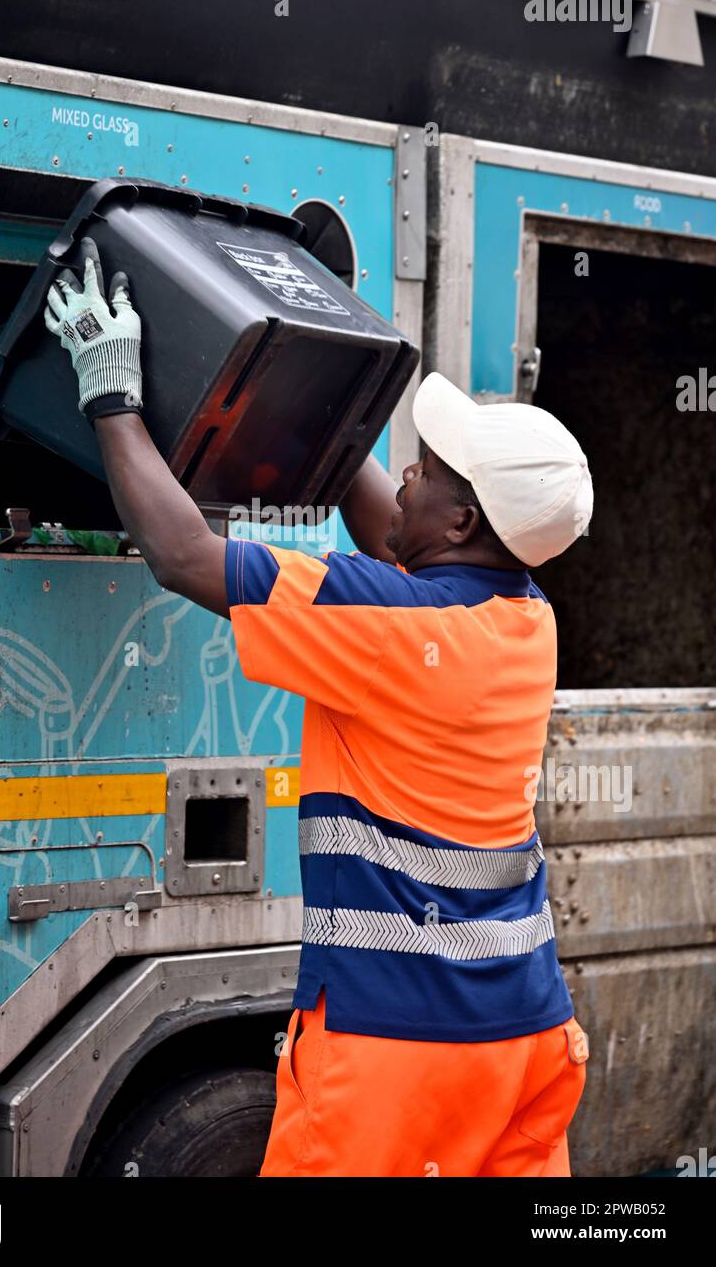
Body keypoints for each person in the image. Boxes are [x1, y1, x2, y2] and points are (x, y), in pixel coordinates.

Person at [44, 239, 594, 1178]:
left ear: (463, 524)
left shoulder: (387, 621)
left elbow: (184, 556)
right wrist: (316, 398)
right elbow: (396, 536)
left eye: (426, 471)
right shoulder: (524, 618)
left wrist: (111, 394)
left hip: (394, 1048)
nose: (405, 477)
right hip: (524, 1036)